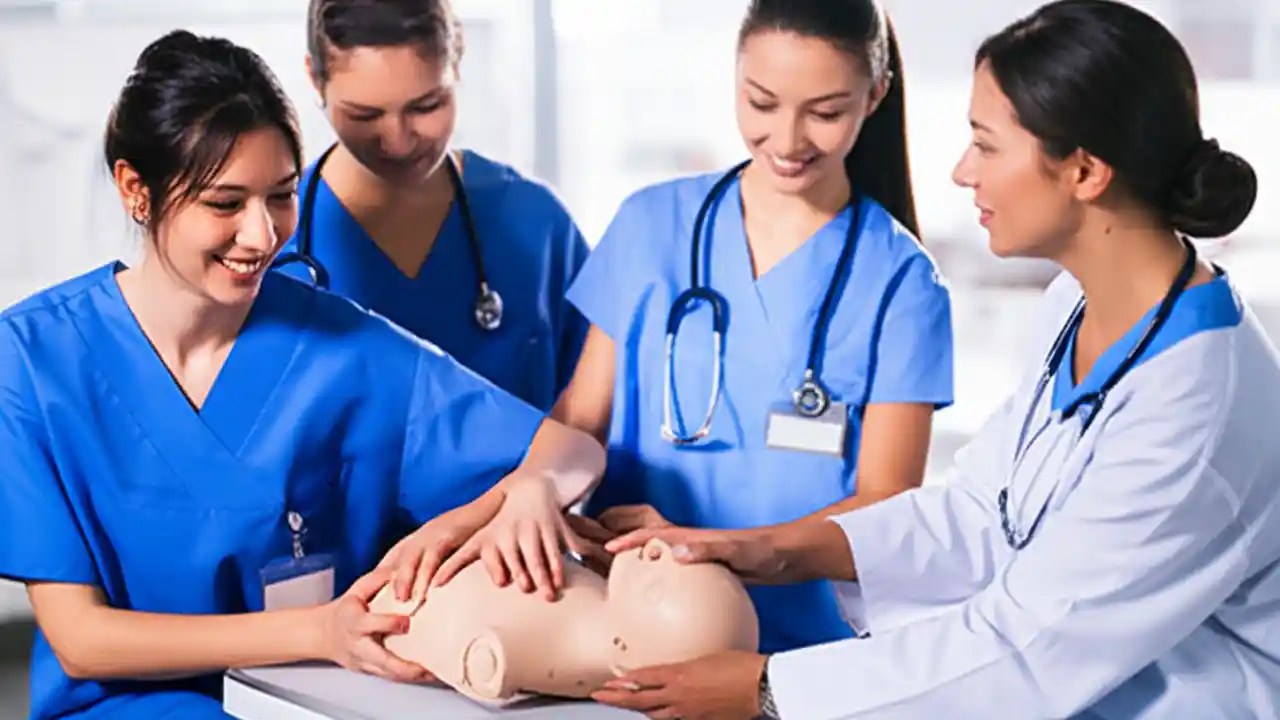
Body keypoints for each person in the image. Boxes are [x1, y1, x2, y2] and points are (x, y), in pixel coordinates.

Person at [590, 1, 1280, 718]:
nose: (959, 171)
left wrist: (767, 689)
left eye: (986, 145)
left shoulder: (1195, 403)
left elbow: (1027, 651)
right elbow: (979, 514)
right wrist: (756, 549)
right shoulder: (1076, 305)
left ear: (1083, 171)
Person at [0, 31, 604, 720]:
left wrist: (534, 488)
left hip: (316, 698)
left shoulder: (346, 348)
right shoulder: (32, 360)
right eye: (225, 204)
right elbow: (82, 641)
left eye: (281, 196)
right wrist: (319, 631)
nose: (262, 236)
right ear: (136, 189)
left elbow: (572, 447)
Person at [553, 0, 954, 655]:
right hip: (635, 621)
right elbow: (580, 417)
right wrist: (535, 494)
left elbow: (886, 508)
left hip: (803, 655)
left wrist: (713, 550)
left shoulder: (902, 282)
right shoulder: (651, 225)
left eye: (825, 112)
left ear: (875, 95)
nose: (789, 140)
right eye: (761, 103)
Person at [272, 0, 589, 412]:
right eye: (364, 115)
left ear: (457, 57)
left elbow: (603, 424)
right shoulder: (268, 236)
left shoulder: (537, 226)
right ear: (315, 79)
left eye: (426, 106)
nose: (399, 141)